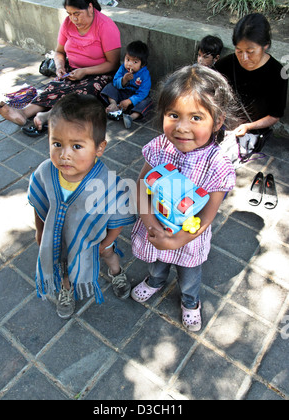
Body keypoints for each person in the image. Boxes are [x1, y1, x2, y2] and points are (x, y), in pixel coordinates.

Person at [130, 65, 237, 332]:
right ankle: (155, 281)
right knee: (157, 260)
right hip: (155, 225)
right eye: (174, 115)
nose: (182, 127)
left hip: (189, 238)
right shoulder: (159, 147)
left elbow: (207, 215)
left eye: (196, 118)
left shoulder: (217, 165)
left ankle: (190, 302)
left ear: (218, 121)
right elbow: (142, 186)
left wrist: (176, 239)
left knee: (189, 274)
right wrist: (153, 226)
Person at [28, 93, 136, 319]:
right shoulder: (45, 173)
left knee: (109, 254)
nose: (64, 155)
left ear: (99, 148)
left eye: (77, 146)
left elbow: (116, 218)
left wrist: (105, 242)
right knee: (64, 263)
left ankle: (116, 272)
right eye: (57, 143)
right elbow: (40, 207)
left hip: (99, 239)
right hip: (61, 237)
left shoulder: (107, 182)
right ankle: (66, 290)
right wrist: (40, 231)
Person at [0, 0, 121, 136]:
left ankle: (49, 115)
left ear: (90, 7)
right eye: (69, 14)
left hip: (99, 73)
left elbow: (113, 64)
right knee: (56, 86)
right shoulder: (68, 23)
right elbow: (59, 52)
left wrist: (85, 71)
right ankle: (24, 112)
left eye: (77, 14)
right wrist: (60, 66)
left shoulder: (105, 26)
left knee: (83, 93)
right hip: (73, 69)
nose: (74, 19)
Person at [215, 13, 288, 140]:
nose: (244, 58)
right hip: (222, 128)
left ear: (265, 46)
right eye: (239, 51)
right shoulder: (225, 64)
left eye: (250, 52)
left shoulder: (277, 73)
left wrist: (248, 127)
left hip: (252, 134)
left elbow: (275, 115)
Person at [101, 40, 152, 129]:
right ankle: (113, 104)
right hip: (122, 94)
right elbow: (115, 82)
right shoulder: (122, 68)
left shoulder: (144, 74)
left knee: (147, 101)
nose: (129, 64)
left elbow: (143, 92)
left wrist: (129, 101)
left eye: (135, 62)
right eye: (127, 59)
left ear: (142, 64)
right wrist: (124, 80)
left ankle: (131, 117)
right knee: (110, 86)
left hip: (134, 99)